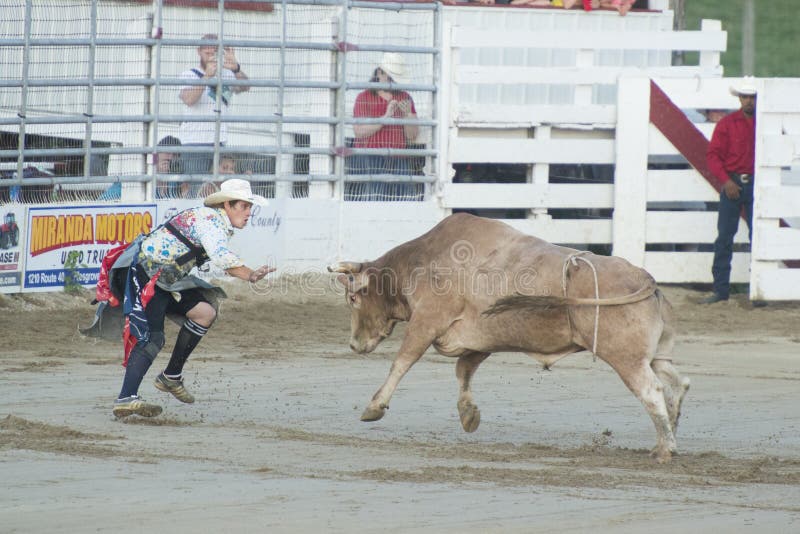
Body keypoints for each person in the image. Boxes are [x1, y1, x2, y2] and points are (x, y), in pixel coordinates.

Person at [112, 179, 274, 417]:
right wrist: (250, 274)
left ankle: (171, 376)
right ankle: (126, 398)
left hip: (167, 278)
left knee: (204, 313)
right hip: (148, 275)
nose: (249, 213)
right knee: (151, 338)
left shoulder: (212, 220)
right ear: (228, 205)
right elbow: (220, 256)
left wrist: (247, 273)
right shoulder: (210, 221)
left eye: (250, 207)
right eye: (245, 206)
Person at [701, 77, 757, 304]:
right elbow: (713, 156)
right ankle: (720, 289)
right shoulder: (726, 124)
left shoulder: (763, 124)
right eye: (745, 97)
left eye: (752, 97)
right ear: (739, 99)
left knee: (758, 237)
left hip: (756, 183)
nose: (749, 101)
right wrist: (726, 181)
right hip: (733, 182)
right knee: (725, 236)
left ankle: (757, 289)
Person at [349, 52, 422, 200]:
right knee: (375, 195)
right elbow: (359, 131)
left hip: (397, 156)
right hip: (370, 155)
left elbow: (412, 135)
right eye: (389, 77)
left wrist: (408, 115)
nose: (391, 82)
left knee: (406, 197)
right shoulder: (364, 97)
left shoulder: (405, 98)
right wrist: (385, 118)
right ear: (379, 73)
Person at [178, 34, 250, 177]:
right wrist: (207, 77)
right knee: (197, 190)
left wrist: (236, 69)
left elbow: (245, 87)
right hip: (194, 143)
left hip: (219, 142)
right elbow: (189, 99)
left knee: (217, 190)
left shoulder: (227, 74)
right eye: (207, 53)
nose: (211, 57)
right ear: (199, 52)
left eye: (214, 54)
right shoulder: (189, 74)